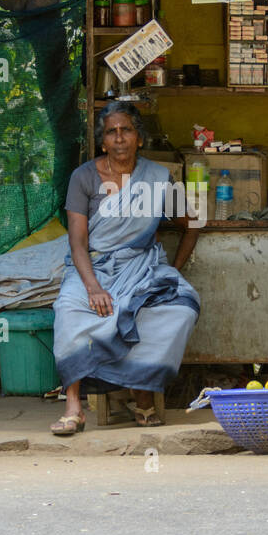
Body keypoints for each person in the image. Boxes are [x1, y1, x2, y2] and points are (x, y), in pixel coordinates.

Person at [51, 102, 201, 435]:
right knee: (70, 309)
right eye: (111, 132)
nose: (119, 138)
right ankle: (73, 405)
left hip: (141, 265)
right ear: (102, 142)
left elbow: (191, 224)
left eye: (126, 130)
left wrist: (173, 268)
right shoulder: (84, 177)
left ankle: (142, 393)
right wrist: (92, 287)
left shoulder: (158, 177)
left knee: (180, 307)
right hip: (94, 267)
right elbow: (78, 242)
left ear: (139, 139)